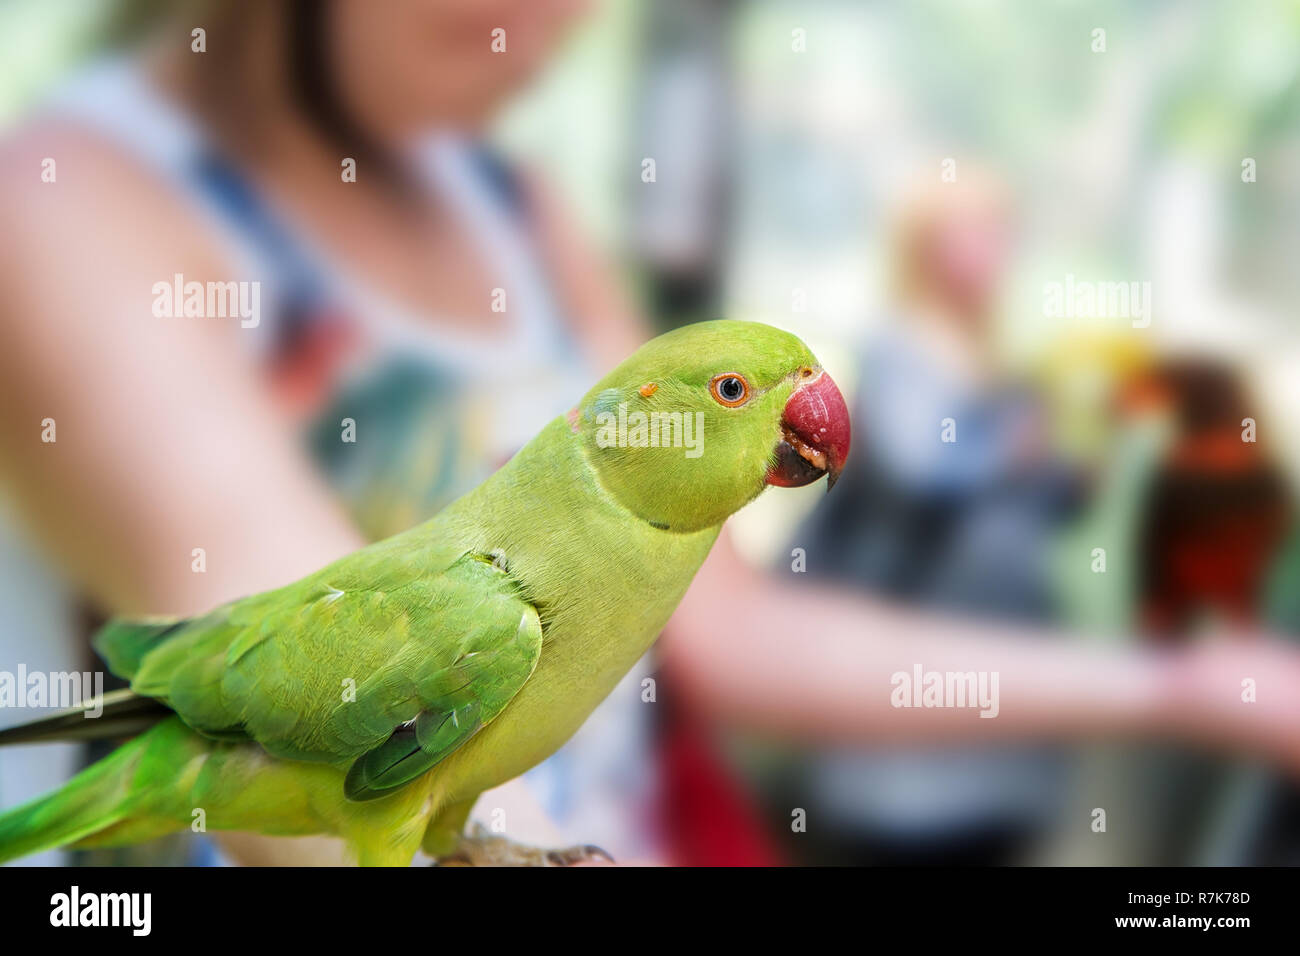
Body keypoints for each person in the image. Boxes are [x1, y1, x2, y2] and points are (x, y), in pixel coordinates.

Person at [2, 0, 1299, 865]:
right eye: (734, 396)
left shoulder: (515, 207)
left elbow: (738, 640)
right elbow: (292, 759)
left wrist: (1181, 686)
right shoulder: (70, 201)